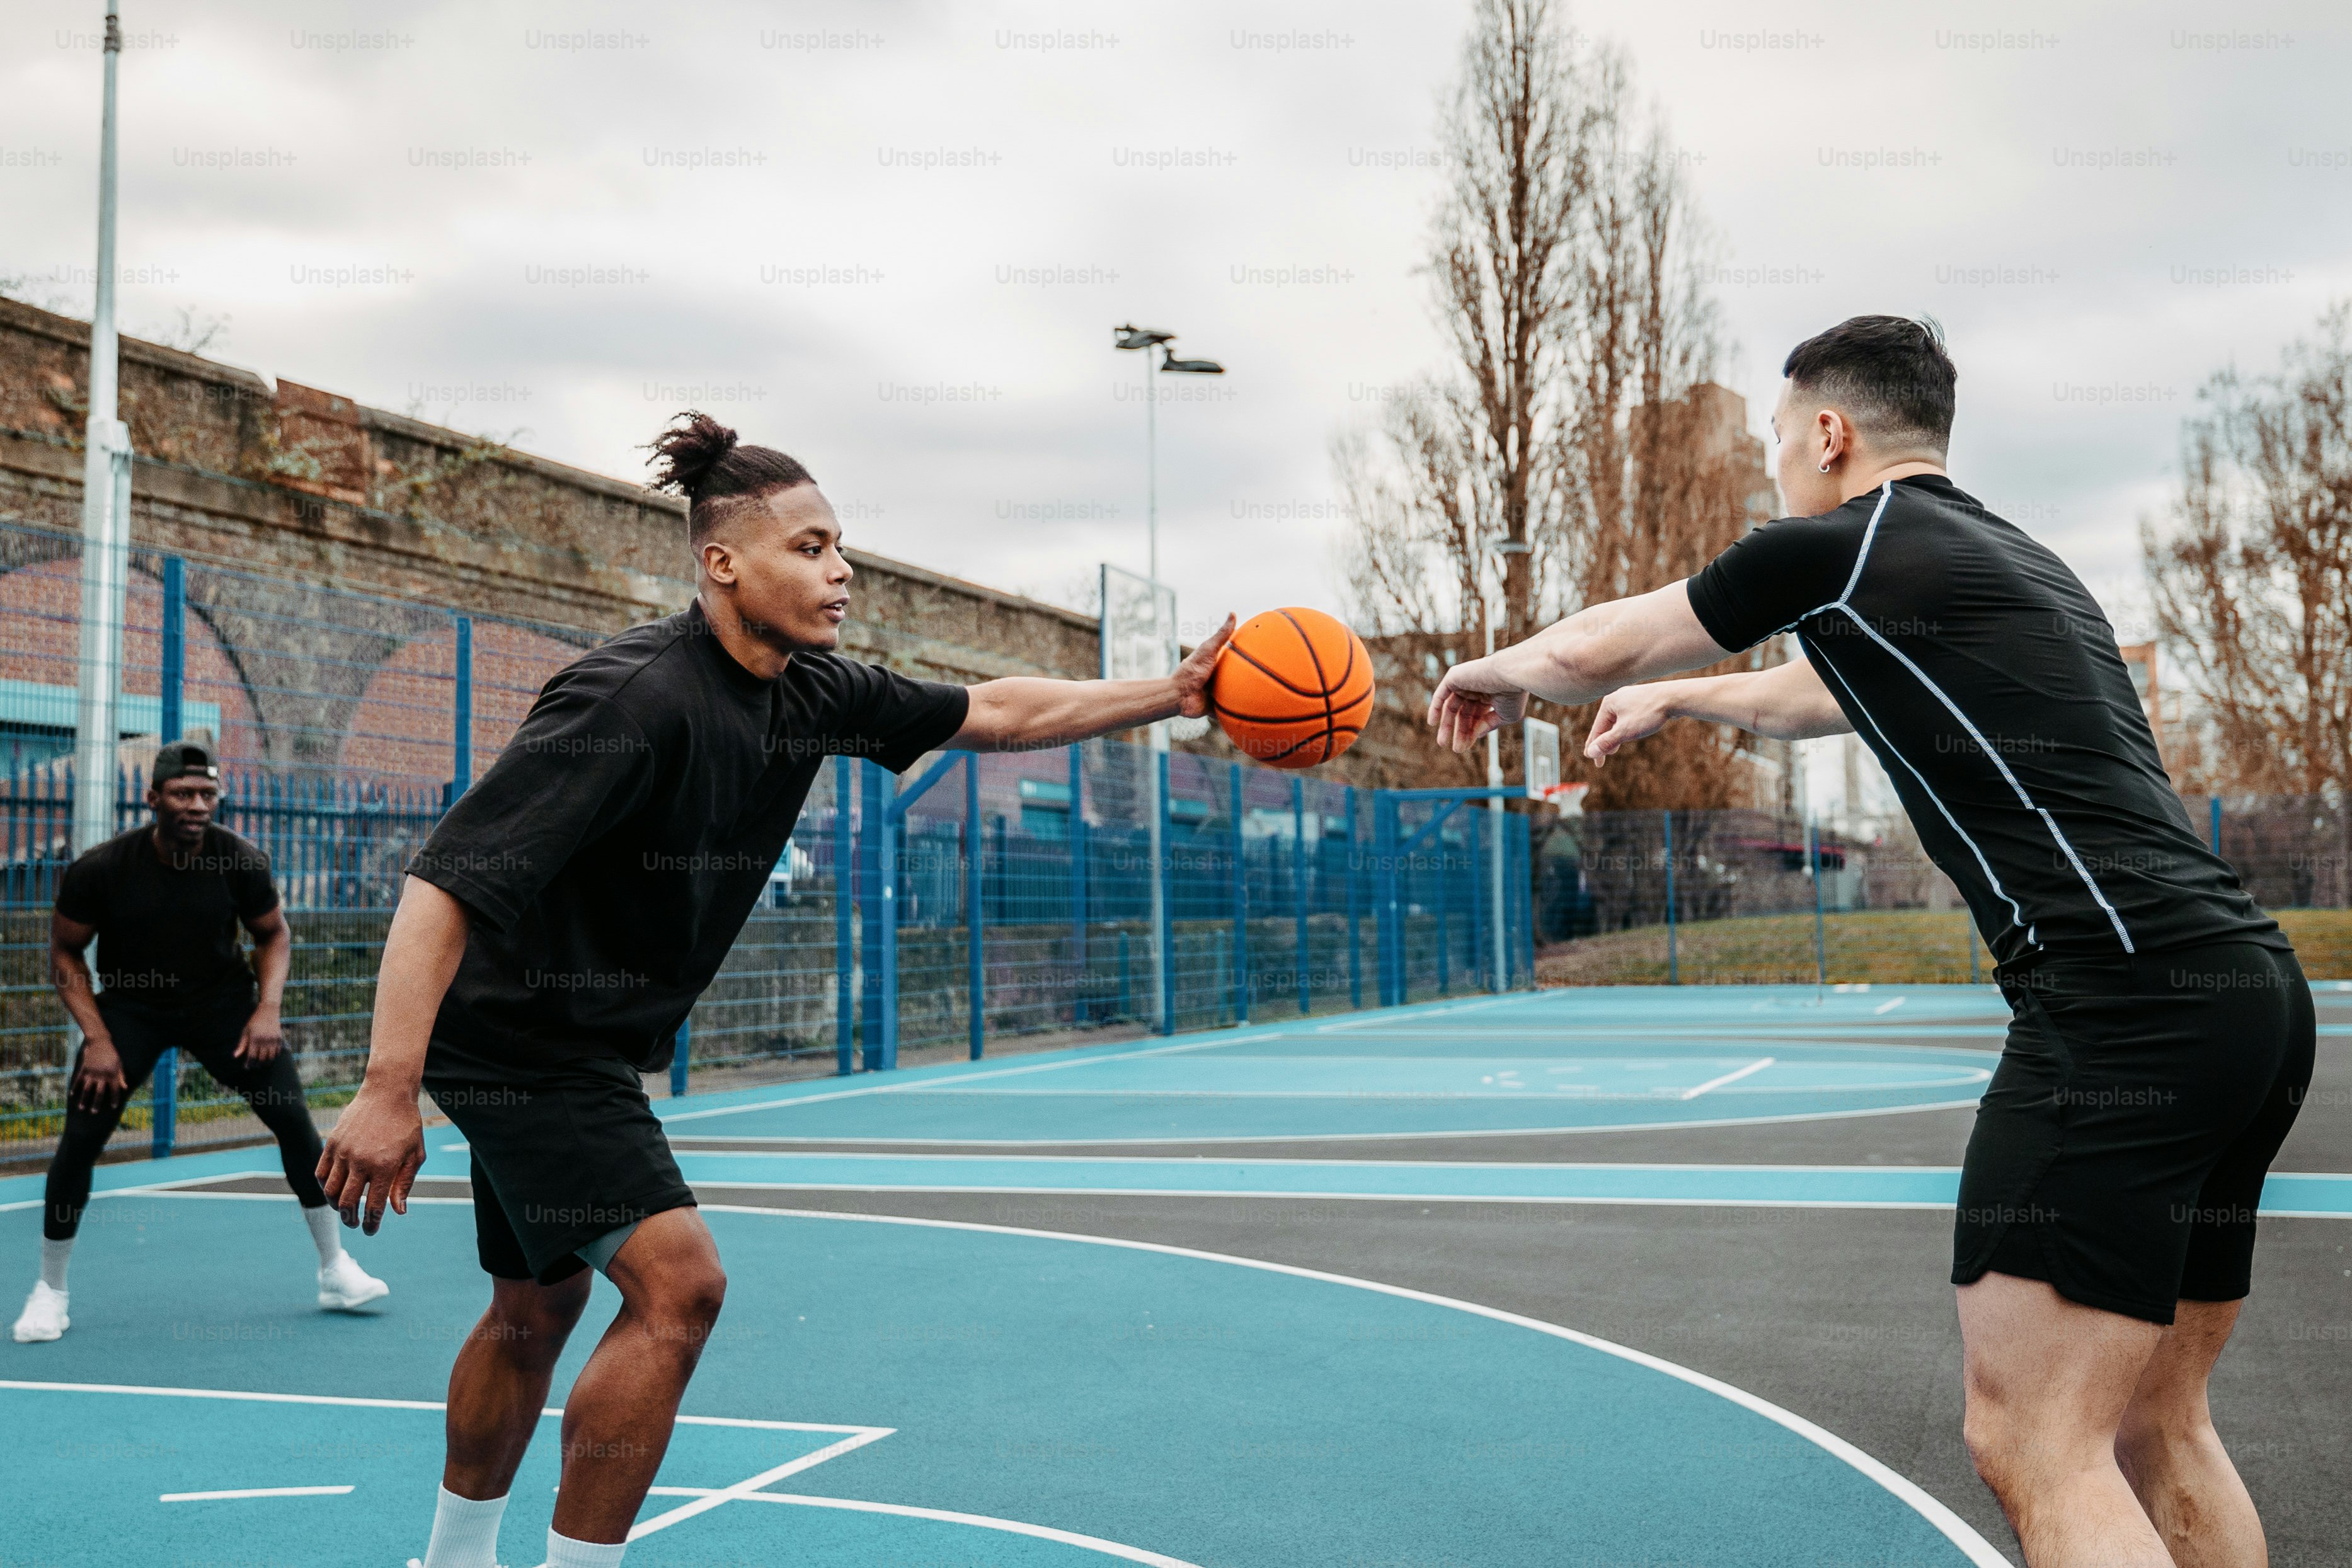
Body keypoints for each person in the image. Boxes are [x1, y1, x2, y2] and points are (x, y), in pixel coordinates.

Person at [1425, 316, 2309, 1568]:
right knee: (2162, 1421)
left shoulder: (1844, 541)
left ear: (1830, 435)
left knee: (2041, 1442)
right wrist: (1683, 692)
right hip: (2245, 994)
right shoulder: (2010, 562)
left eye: (1781, 443)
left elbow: (1602, 637)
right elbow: (1810, 693)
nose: (1778, 470)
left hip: (2120, 1006)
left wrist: (1500, 666)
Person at [315, 411, 1236, 1568]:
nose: (839, 568)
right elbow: (444, 883)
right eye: (808, 546)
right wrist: (388, 1086)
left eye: (840, 545)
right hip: (517, 1039)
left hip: (575, 1042)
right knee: (679, 1286)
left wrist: (1175, 692)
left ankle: (450, 1560)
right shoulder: (629, 698)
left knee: (532, 1309)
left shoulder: (810, 690)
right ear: (721, 562)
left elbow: (995, 712)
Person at [12, 740, 389, 1344]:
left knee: (295, 1121)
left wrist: (267, 1011)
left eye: (207, 794)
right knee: (81, 1136)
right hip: (131, 1009)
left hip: (223, 1006)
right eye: (183, 793)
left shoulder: (238, 859)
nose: (196, 804)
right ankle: (49, 1291)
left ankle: (335, 1267)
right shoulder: (104, 867)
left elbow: (274, 934)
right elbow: (63, 951)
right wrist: (98, 1039)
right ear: (153, 797)